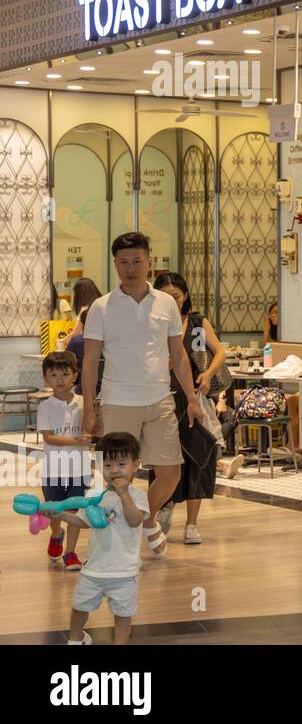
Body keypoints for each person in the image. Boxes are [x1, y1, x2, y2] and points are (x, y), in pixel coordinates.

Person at [81, 232, 199, 558]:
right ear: (115, 264)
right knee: (118, 476)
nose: (130, 268)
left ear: (149, 261)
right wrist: (90, 409)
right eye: (123, 262)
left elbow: (178, 355)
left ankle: (145, 519)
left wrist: (191, 398)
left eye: (137, 261)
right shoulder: (101, 308)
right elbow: (90, 363)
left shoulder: (166, 304)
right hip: (118, 401)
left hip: (160, 399)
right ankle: (117, 545)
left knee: (171, 472)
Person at [148, 271, 226, 546]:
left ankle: (192, 524)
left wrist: (207, 374)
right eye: (167, 297)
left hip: (194, 397)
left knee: (198, 457)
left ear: (185, 297)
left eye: (177, 297)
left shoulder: (196, 322)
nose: (173, 301)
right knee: (165, 457)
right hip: (162, 396)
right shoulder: (152, 322)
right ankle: (164, 506)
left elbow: (219, 352)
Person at [50, 432, 149, 645]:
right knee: (79, 607)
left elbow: (135, 520)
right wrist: (61, 515)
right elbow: (82, 521)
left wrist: (124, 495)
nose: (114, 470)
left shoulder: (138, 495)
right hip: (94, 568)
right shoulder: (96, 496)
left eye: (121, 464)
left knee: (123, 613)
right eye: (108, 465)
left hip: (124, 571)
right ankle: (76, 639)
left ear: (136, 465)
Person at [37, 350, 94, 571]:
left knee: (74, 512)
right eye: (53, 375)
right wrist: (76, 440)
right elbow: (49, 437)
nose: (59, 379)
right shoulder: (45, 406)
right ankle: (56, 534)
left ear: (75, 376)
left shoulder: (84, 402)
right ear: (45, 378)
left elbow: (92, 427)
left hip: (80, 470)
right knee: (55, 512)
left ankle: (70, 552)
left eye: (64, 374)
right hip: (53, 470)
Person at [62, 278, 103, 382]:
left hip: (87, 349)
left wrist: (63, 340)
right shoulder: (102, 304)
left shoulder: (85, 310)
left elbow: (76, 332)